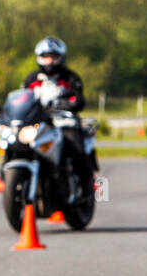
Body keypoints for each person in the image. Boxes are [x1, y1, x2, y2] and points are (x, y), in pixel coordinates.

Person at [21, 36, 94, 184]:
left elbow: (78, 100)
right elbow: (22, 98)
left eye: (53, 56)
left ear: (61, 57)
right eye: (45, 56)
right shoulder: (32, 78)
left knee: (76, 149)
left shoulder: (70, 78)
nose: (49, 60)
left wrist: (65, 104)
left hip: (64, 123)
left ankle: (84, 186)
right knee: (19, 144)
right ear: (39, 58)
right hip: (39, 124)